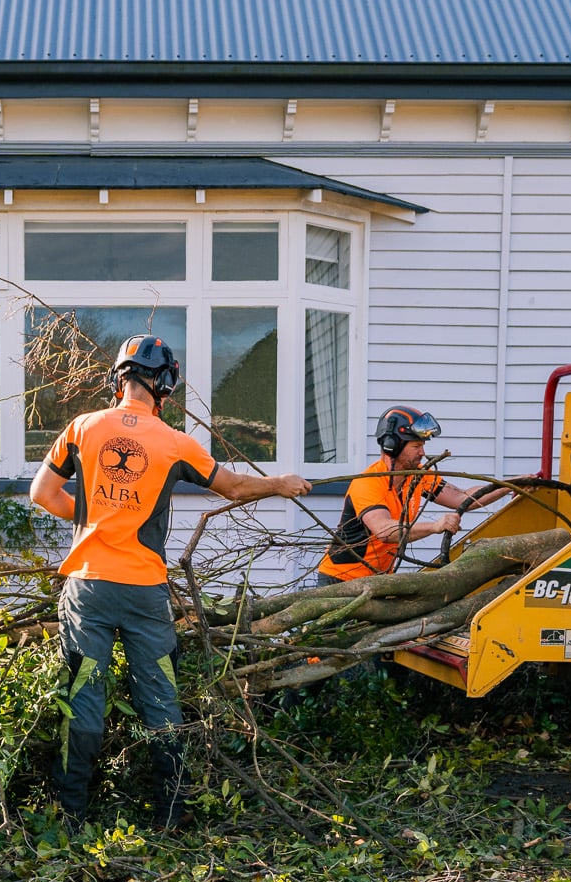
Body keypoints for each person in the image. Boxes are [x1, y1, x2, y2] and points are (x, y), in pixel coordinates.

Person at [29, 334, 311, 827]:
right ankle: (170, 816)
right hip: (143, 592)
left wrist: (95, 520)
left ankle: (71, 817)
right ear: (165, 384)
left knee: (83, 698)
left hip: (88, 587)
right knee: (160, 701)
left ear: (118, 379)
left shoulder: (82, 427)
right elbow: (234, 486)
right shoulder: (176, 443)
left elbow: (43, 493)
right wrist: (279, 484)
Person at [316, 406, 514, 587]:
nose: (422, 453)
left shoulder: (418, 476)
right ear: (392, 445)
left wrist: (509, 486)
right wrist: (435, 526)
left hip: (376, 578)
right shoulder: (368, 483)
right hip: (340, 580)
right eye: (416, 446)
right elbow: (385, 531)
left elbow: (462, 498)